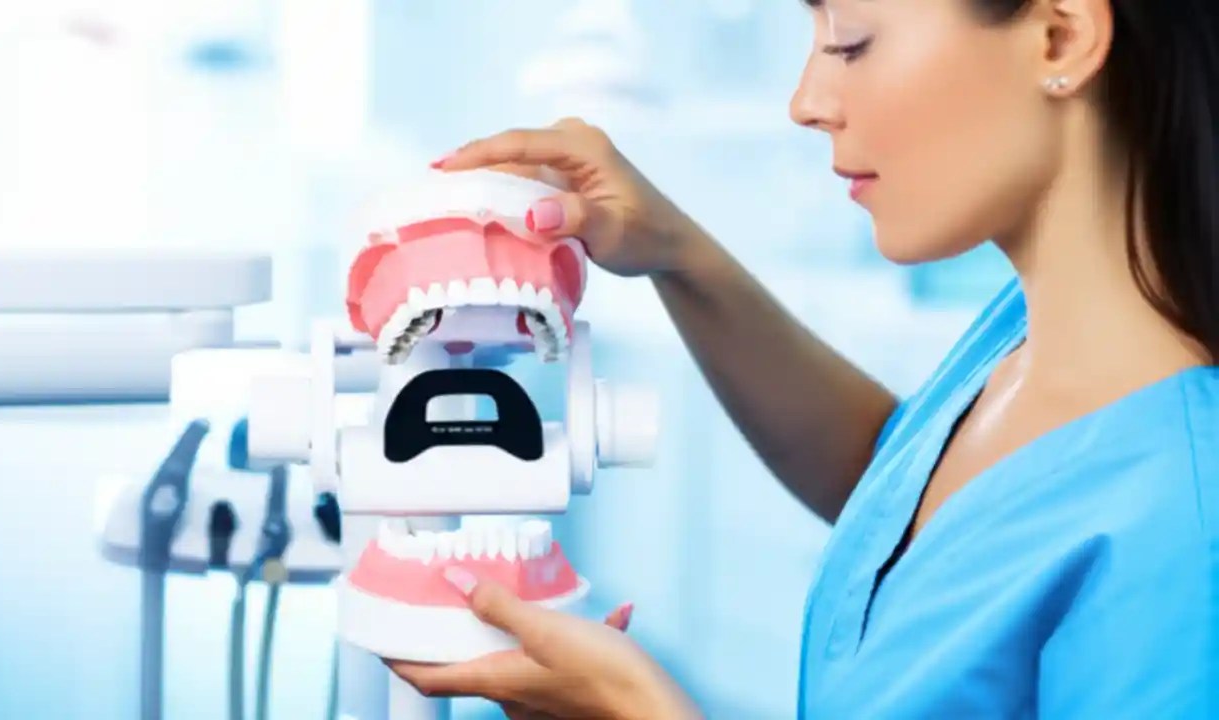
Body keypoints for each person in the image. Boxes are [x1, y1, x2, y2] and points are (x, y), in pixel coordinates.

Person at [388, 0, 1219, 716]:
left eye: (851, 40)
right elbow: (907, 501)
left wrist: (648, 711)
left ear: (1060, 38)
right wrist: (675, 251)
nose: (807, 101)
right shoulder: (1028, 334)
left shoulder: (1185, 528)